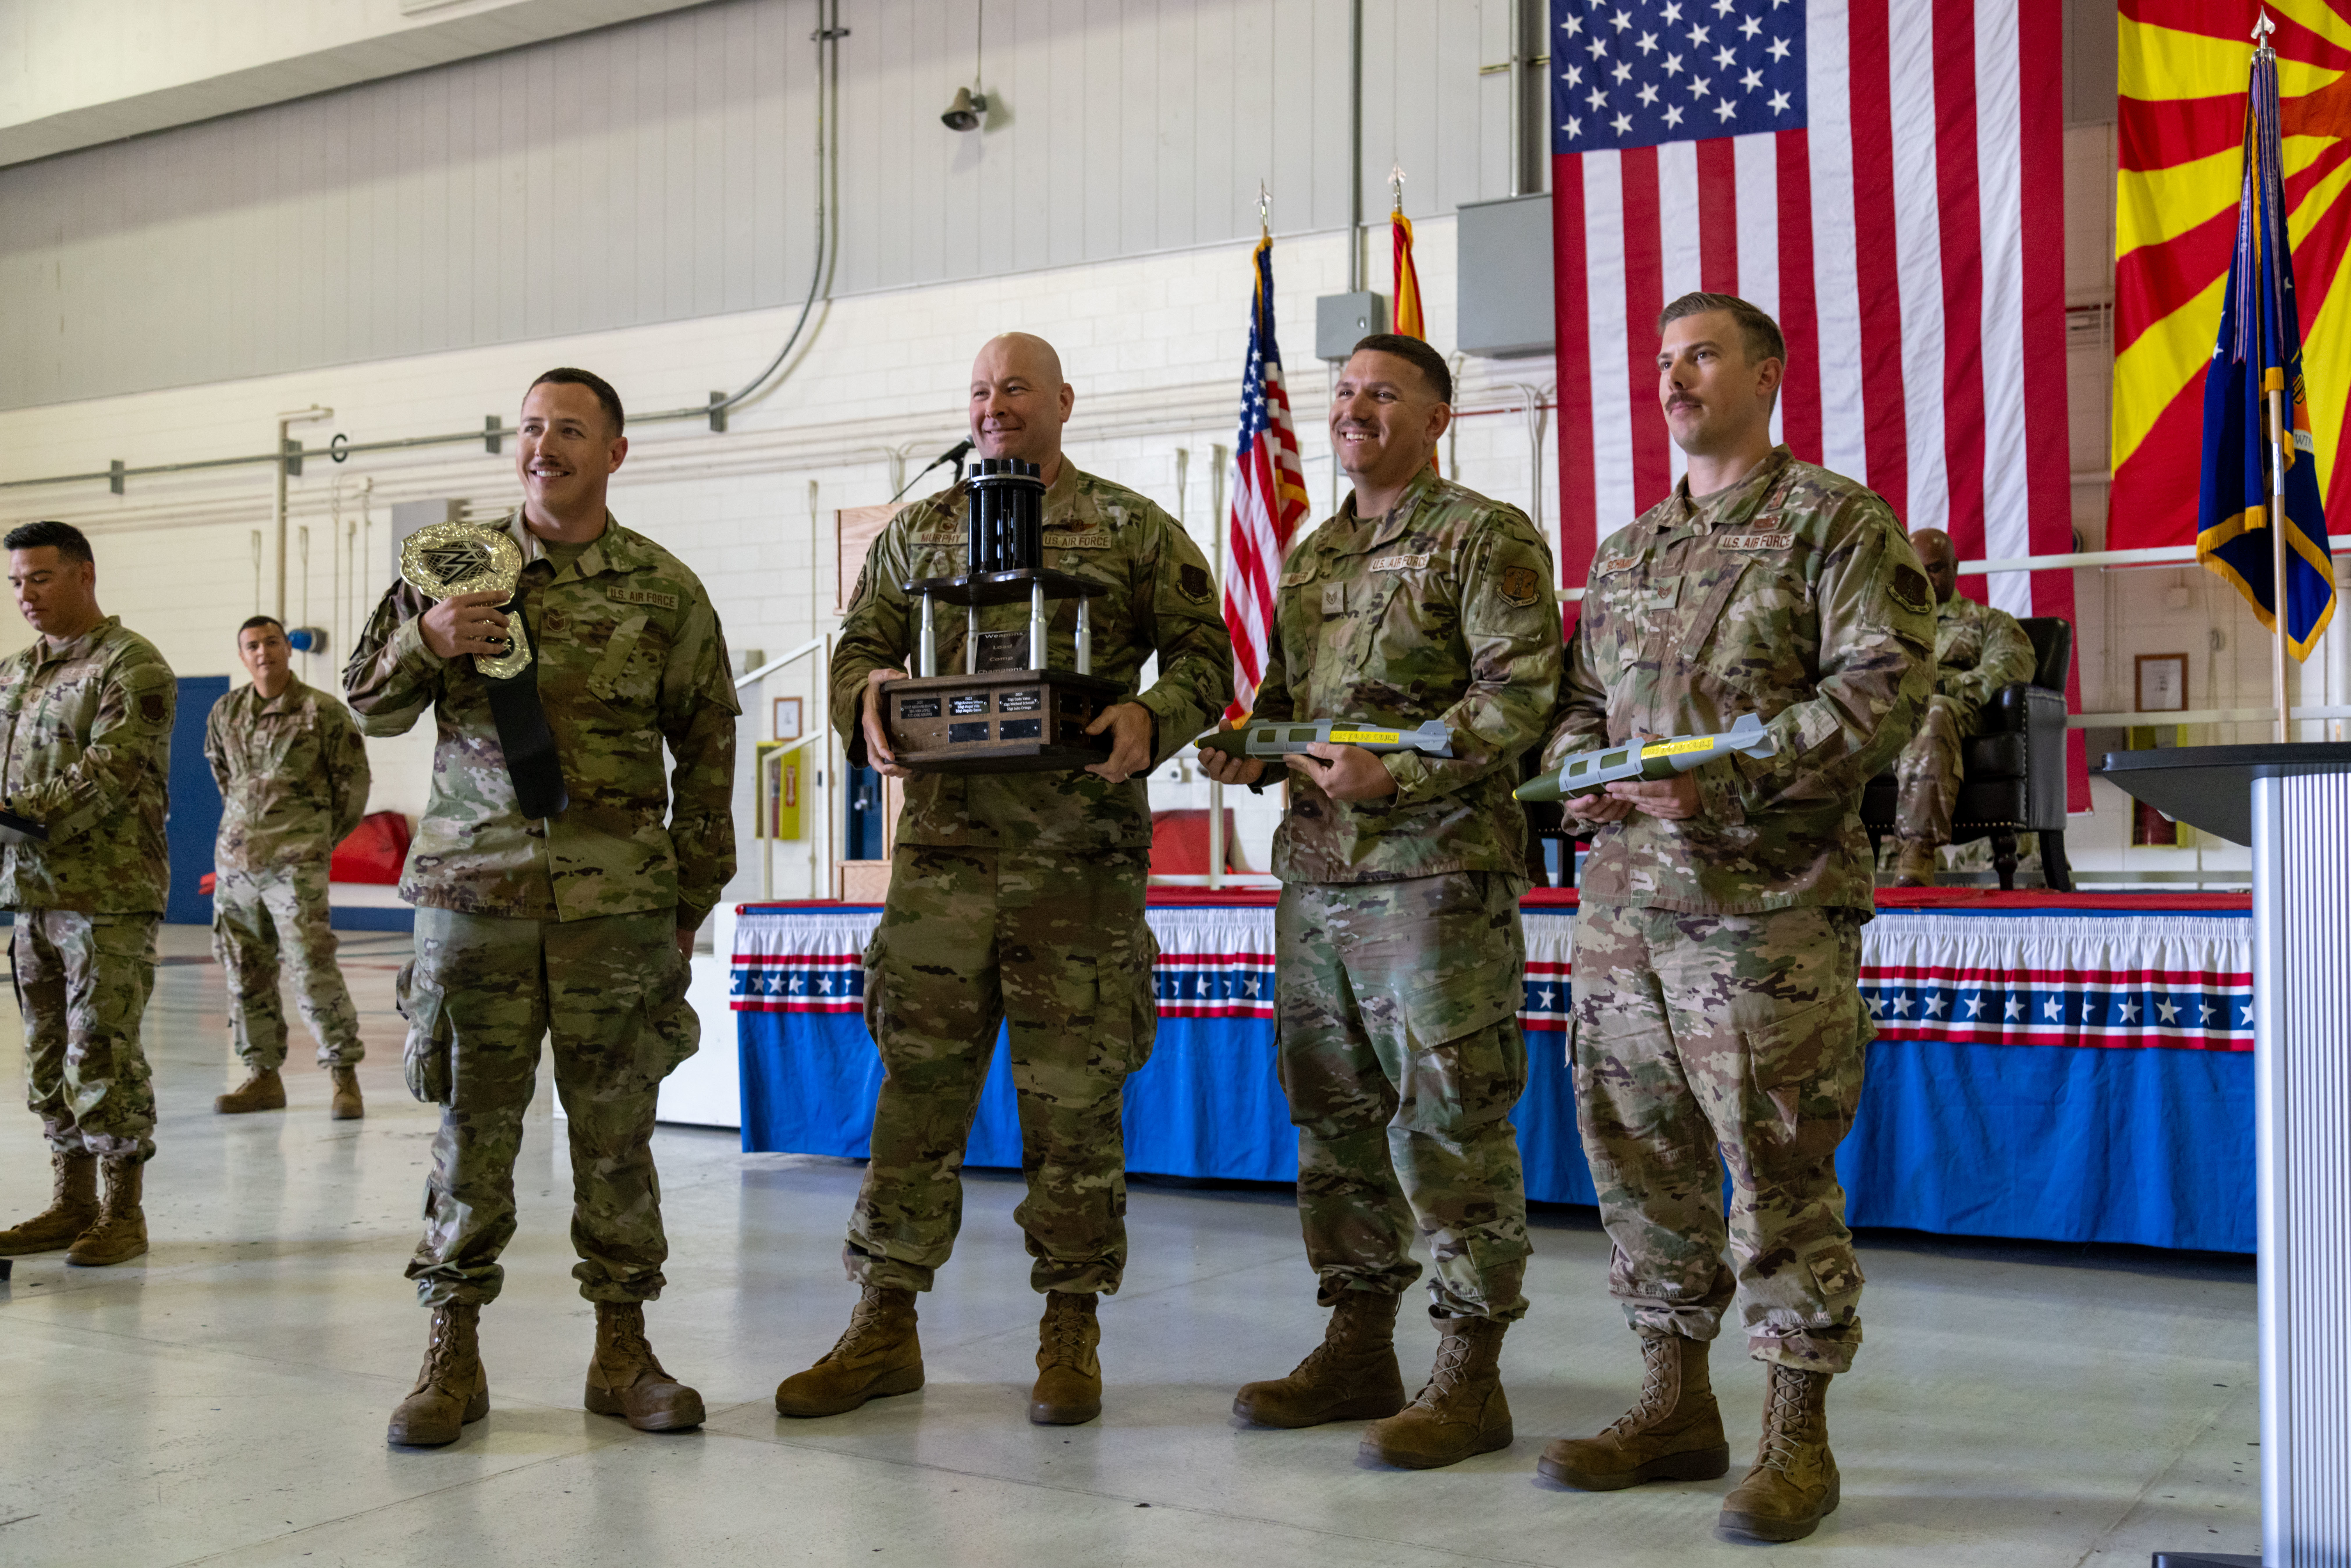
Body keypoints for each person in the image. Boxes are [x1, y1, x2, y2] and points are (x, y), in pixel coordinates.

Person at [775, 332, 1231, 1429]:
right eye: (979, 390)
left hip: (1079, 867)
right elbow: (856, 647)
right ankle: (883, 1318)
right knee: (915, 1095)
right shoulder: (919, 531)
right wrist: (868, 696)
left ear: (1062, 400)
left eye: (1016, 387)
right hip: (941, 865)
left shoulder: (1130, 528)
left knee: (1074, 1104)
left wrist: (1151, 715)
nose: (994, 406)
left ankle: (1069, 1324)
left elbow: (1205, 657)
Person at [1537, 293, 1933, 1543]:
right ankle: (1672, 1406)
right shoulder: (1627, 549)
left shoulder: (1833, 522)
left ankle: (1794, 1437)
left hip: (1763, 915)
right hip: (1624, 914)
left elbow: (1881, 687)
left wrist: (1729, 776)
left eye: (1700, 355)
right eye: (1661, 359)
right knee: (1636, 1161)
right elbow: (1579, 698)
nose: (1673, 377)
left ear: (1764, 373)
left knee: (1775, 1165)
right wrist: (1574, 768)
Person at [345, 367, 738, 1447]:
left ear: (614, 452)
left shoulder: (663, 589)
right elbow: (366, 703)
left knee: (617, 1133)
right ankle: (451, 1352)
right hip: (475, 897)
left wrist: (691, 894)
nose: (543, 445)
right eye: (529, 427)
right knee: (470, 1130)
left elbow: (708, 745)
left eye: (568, 428)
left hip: (617, 906)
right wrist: (427, 640)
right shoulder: (451, 569)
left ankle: (623, 1352)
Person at [1198, 333, 1561, 1469]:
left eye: (1384, 393)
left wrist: (1395, 771)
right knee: (1333, 1116)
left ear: (1437, 418)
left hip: (1433, 876)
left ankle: (1470, 1370)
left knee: (1448, 1117)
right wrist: (1247, 745)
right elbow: (1285, 701)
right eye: (1346, 391)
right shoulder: (1315, 556)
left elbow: (1520, 695)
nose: (1355, 408)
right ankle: (1360, 1343)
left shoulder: (1484, 536)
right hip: (1317, 878)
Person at [0, 520, 175, 1269]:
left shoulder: (132, 665)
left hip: (108, 895)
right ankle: (71, 1201)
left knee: (102, 1052)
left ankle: (122, 1213)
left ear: (84, 574)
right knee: (46, 1057)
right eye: (16, 581)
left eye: (40, 577)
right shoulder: (17, 672)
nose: (26, 594)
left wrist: (11, 817)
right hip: (31, 893)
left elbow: (108, 776)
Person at [207, 615, 373, 1118]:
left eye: (272, 642)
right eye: (253, 646)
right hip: (236, 867)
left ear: (288, 648)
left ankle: (344, 1075)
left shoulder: (323, 711)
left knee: (311, 965)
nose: (264, 652)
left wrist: (314, 839)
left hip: (296, 865)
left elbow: (353, 786)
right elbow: (224, 775)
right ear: (243, 656)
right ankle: (262, 1076)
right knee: (244, 970)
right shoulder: (225, 711)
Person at [1883, 528, 2040, 886]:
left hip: (1958, 712)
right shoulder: (1886, 627)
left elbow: (2010, 664)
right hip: (1892, 712)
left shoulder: (1986, 621)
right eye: (1917, 569)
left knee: (1933, 710)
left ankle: (1918, 849)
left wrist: (1945, 688)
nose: (1926, 578)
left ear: (1955, 567)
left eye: (1935, 568)